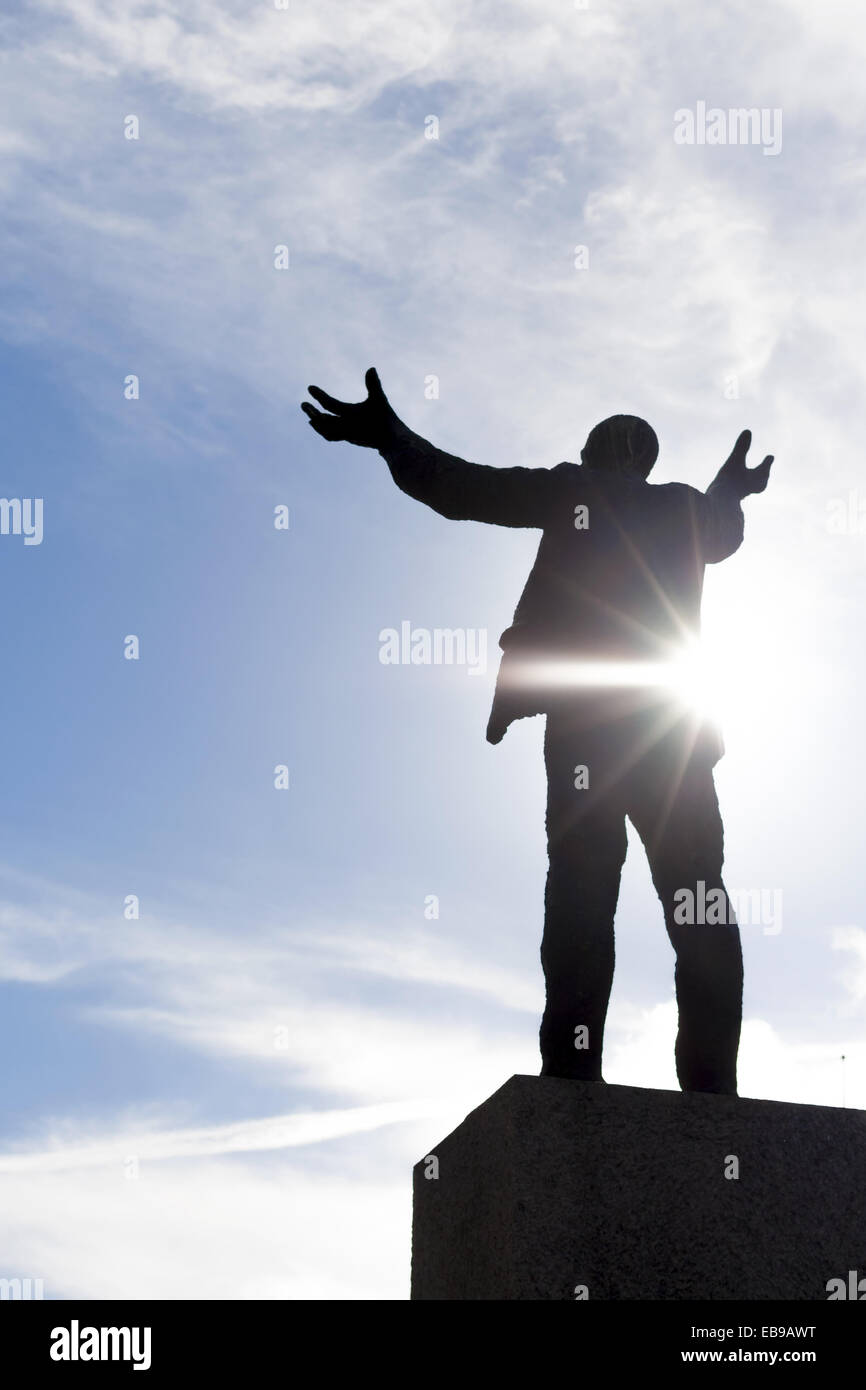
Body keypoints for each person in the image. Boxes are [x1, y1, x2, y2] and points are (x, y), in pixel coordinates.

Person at [302, 369, 773, 1094]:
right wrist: (730, 487)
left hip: (591, 727)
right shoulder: (681, 508)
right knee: (698, 904)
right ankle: (713, 1097)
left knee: (584, 900)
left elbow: (461, 490)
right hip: (672, 732)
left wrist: (388, 437)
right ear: (643, 461)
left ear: (592, 455)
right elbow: (723, 528)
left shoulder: (572, 491)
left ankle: (574, 1081)